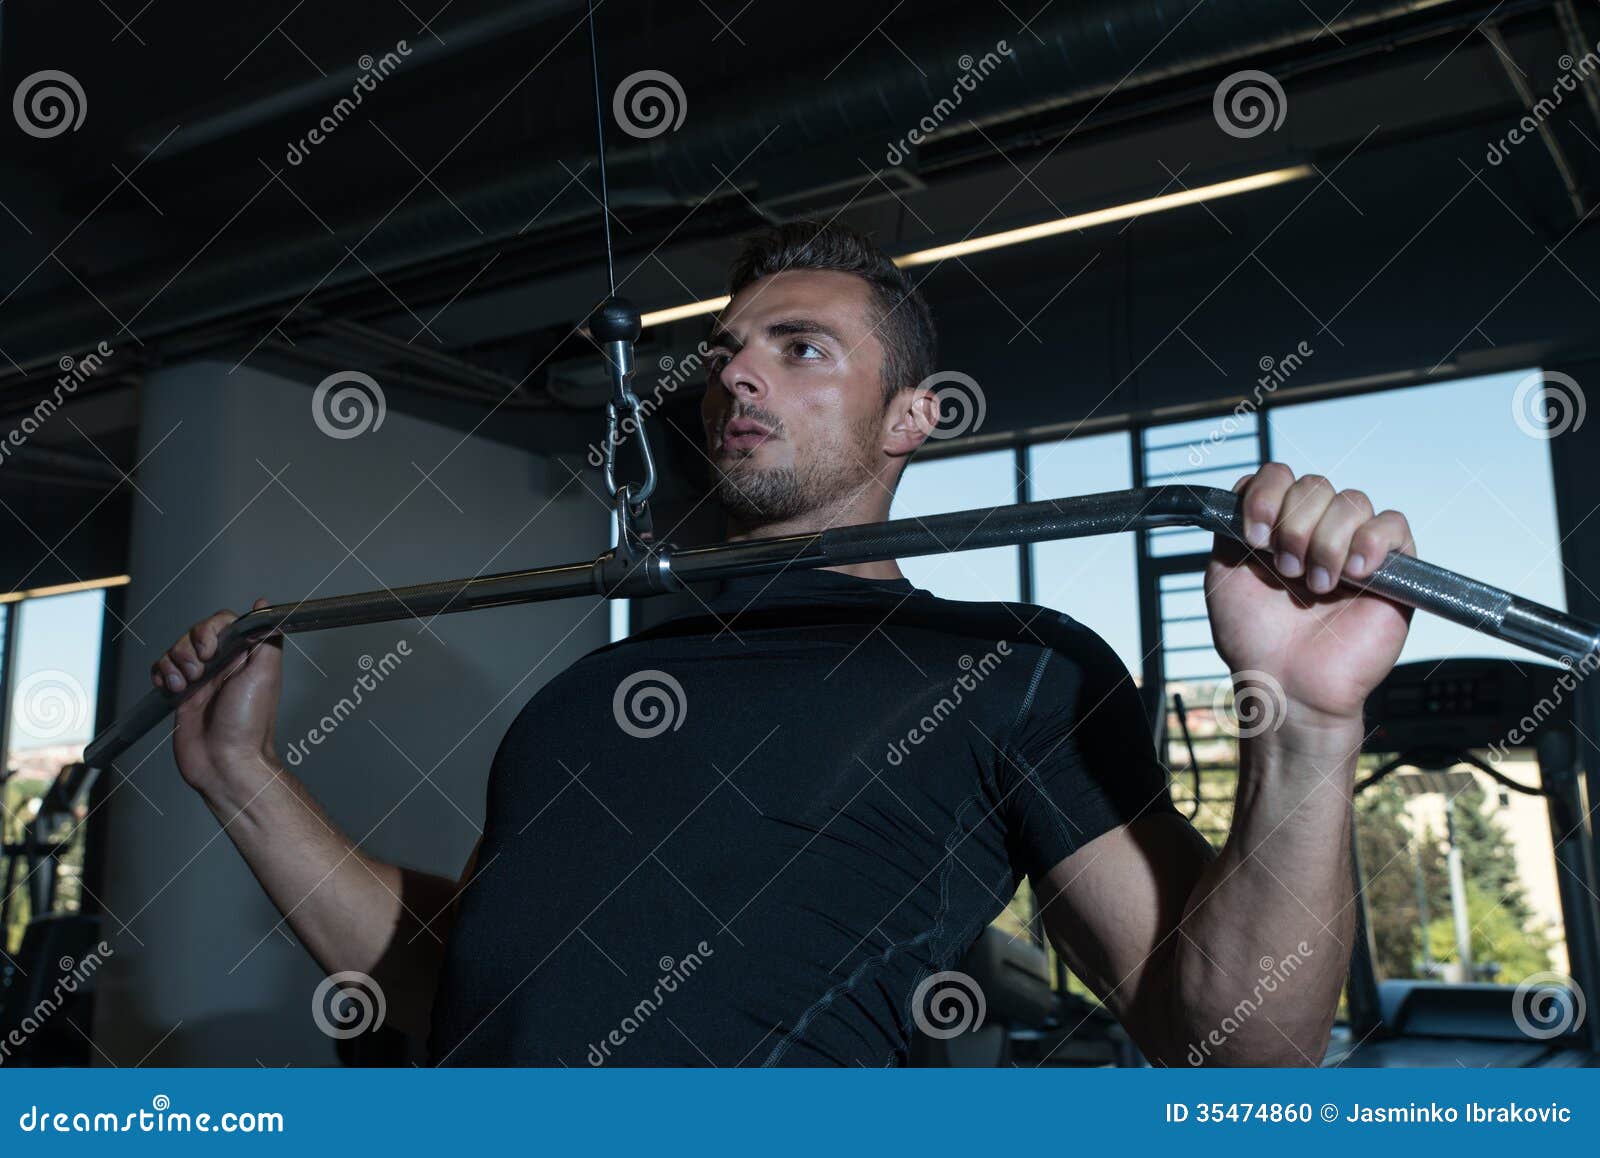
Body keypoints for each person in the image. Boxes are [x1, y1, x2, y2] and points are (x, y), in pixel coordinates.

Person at [154, 220, 1416, 1066]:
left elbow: (1235, 1044)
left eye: (799, 348)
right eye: (726, 352)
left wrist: (1303, 729)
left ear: (911, 418)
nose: (736, 378)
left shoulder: (1011, 663)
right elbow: (444, 995)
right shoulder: (594, 690)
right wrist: (240, 778)